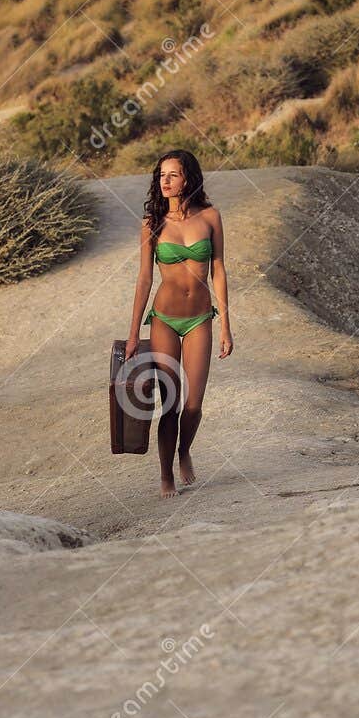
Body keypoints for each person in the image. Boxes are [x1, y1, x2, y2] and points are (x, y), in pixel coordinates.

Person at [124, 149, 235, 497]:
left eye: (173, 174)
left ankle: (185, 450)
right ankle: (165, 474)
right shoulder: (152, 223)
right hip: (164, 320)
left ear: (189, 177)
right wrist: (132, 336)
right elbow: (144, 280)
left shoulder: (211, 217)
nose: (166, 181)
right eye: (161, 175)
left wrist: (226, 324)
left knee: (194, 404)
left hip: (200, 318)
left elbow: (218, 269)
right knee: (169, 403)